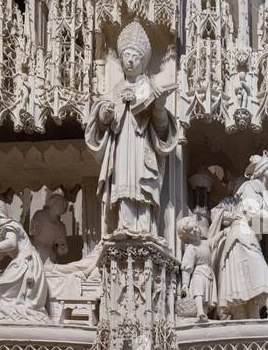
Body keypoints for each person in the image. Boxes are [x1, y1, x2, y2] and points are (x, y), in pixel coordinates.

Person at [86, 21, 180, 236]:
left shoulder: (150, 87)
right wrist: (105, 115)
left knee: (142, 184)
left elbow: (164, 132)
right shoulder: (114, 91)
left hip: (142, 146)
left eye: (135, 56)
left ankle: (145, 227)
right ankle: (124, 224)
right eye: (126, 55)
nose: (130, 60)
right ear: (120, 59)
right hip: (121, 147)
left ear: (144, 61)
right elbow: (99, 125)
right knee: (123, 182)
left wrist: (159, 107)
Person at [211, 153, 268, 319]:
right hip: (241, 235)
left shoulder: (262, 191)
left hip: (247, 235)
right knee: (258, 267)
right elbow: (252, 212)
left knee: (247, 279)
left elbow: (266, 224)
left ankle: (255, 317)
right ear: (263, 170)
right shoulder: (250, 186)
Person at [0, 197, 48, 320]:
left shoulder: (9, 225)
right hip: (21, 261)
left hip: (25, 262)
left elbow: (11, 243)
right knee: (2, 286)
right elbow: (2, 254)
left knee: (2, 286)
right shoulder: (3, 230)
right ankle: (6, 311)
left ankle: (7, 313)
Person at [177, 214, 215, 322]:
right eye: (192, 231)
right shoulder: (191, 248)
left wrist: (224, 233)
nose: (196, 231)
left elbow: (214, 240)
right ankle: (200, 312)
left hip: (209, 272)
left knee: (207, 294)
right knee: (199, 292)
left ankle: (205, 314)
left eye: (196, 227)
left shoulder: (205, 243)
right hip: (198, 272)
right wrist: (185, 284)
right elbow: (186, 267)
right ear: (187, 237)